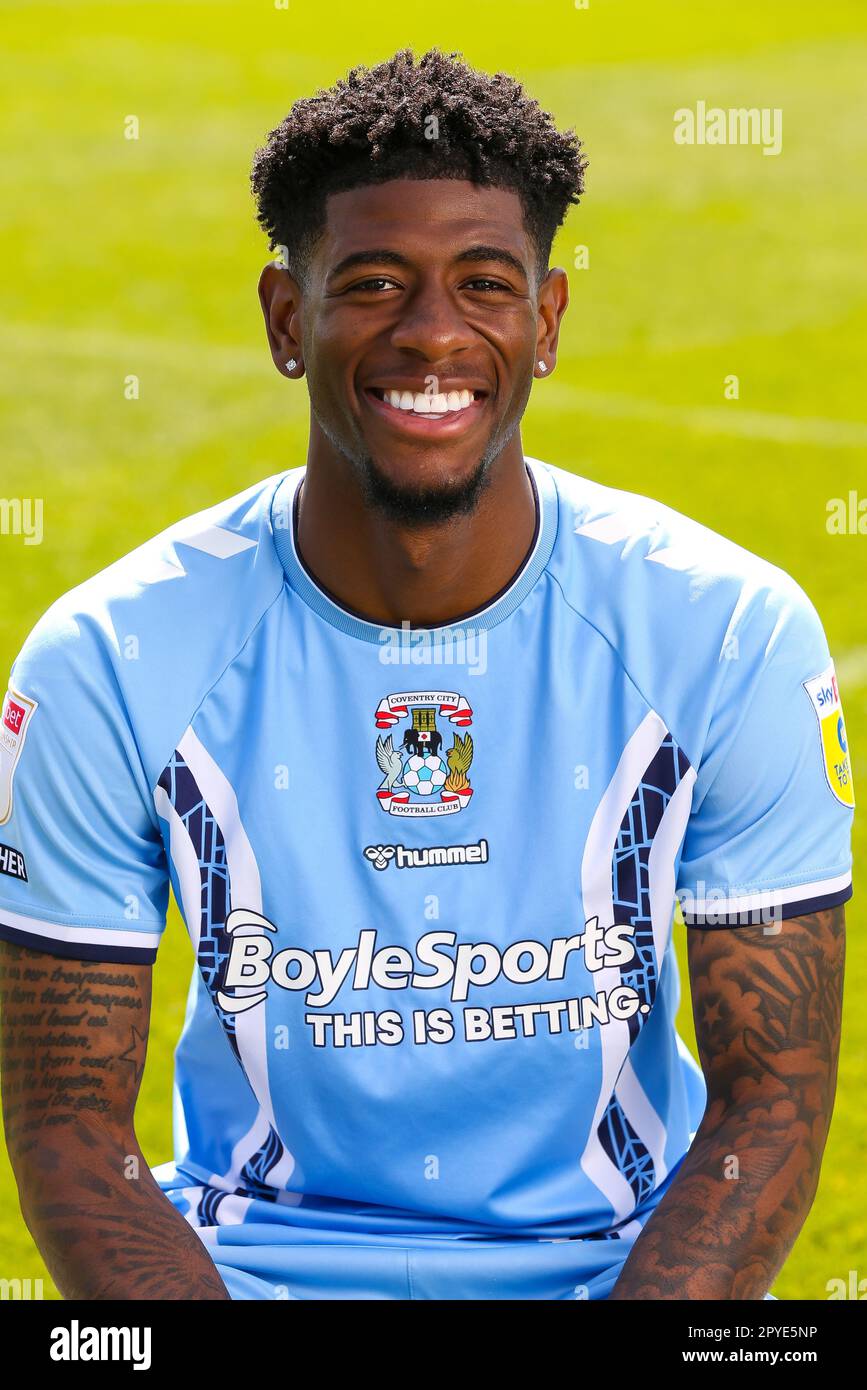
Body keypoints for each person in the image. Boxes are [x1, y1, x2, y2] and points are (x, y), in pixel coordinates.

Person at [0, 49, 852, 1301]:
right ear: (289, 321)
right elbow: (70, 1130)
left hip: (611, 1274)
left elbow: (771, 1107)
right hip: (254, 1276)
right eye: (375, 283)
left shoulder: (727, 629)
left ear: (545, 321)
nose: (434, 333)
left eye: (485, 283)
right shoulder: (109, 657)